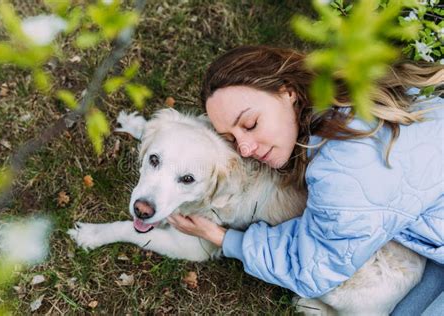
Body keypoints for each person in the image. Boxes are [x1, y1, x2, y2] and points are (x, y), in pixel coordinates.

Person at [166, 46, 444, 314]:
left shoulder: (345, 166)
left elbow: (313, 267)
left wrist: (222, 237)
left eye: (250, 124)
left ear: (288, 92)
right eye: (232, 139)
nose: (245, 149)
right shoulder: (352, 98)